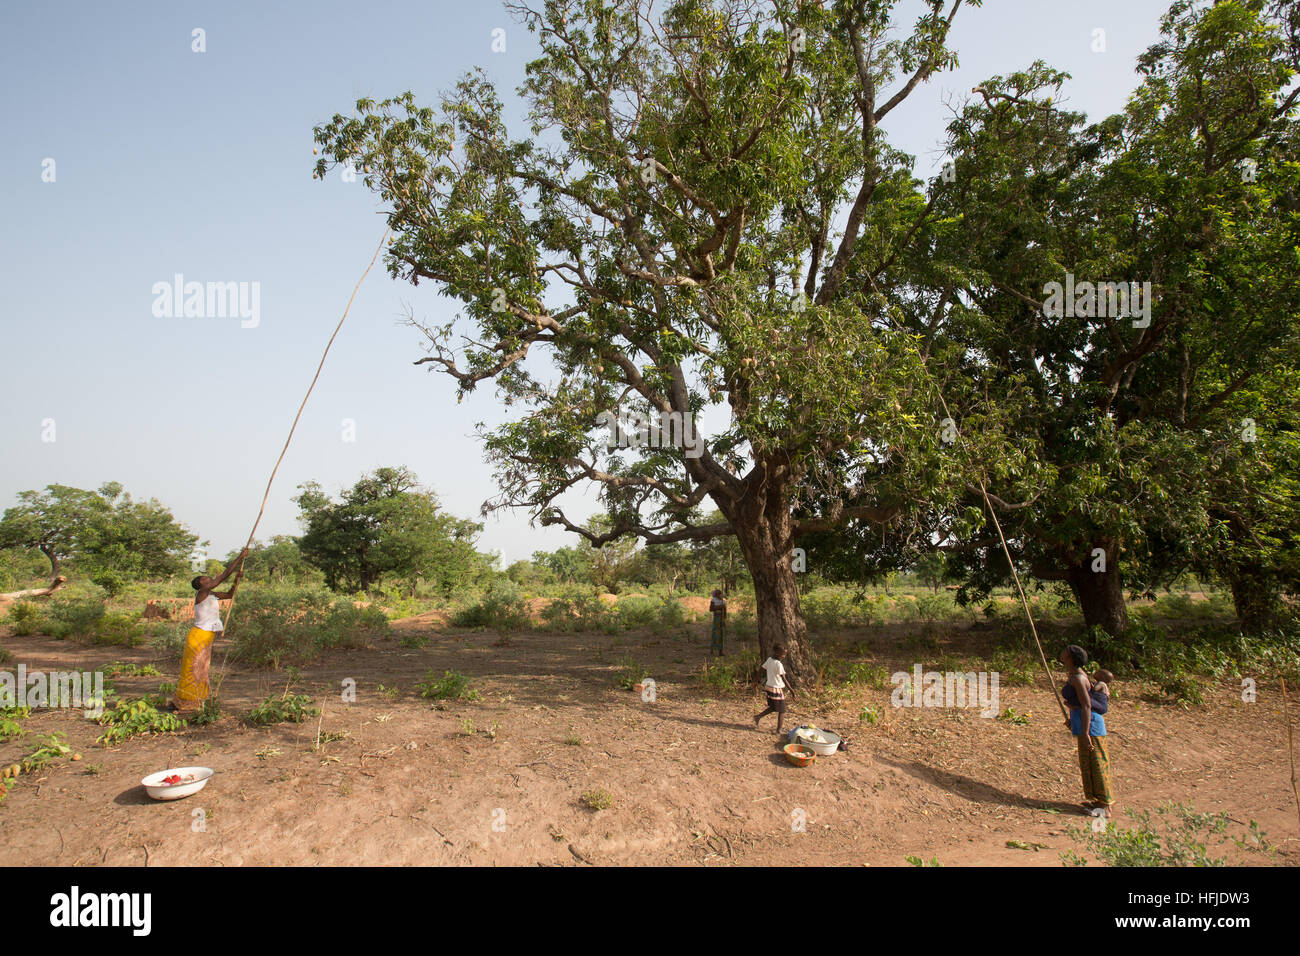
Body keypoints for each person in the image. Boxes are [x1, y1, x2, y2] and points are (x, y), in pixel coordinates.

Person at [171, 548, 248, 715]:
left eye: (207, 578)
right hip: (198, 635)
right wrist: (238, 558)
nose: (209, 579)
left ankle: (195, 698)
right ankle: (188, 699)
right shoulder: (202, 593)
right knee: (194, 667)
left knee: (201, 668)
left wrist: (236, 580)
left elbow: (229, 594)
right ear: (201, 585)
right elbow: (222, 577)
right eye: (205, 579)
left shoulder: (211, 594)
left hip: (206, 635)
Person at [1060, 644, 1113, 818]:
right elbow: (1078, 703)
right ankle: (1097, 801)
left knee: (1097, 764)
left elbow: (1087, 705)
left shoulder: (1078, 678)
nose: (1062, 653)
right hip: (1081, 723)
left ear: (1071, 658)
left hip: (1091, 726)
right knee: (1088, 764)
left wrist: (1085, 733)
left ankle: (1105, 806)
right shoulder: (1074, 675)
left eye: (1065, 652)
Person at [753, 643, 796, 735]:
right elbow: (784, 679)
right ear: (777, 653)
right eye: (783, 654)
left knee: (773, 707)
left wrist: (756, 681)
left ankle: (758, 717)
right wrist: (792, 691)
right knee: (782, 710)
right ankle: (779, 730)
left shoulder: (769, 660)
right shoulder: (778, 664)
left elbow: (761, 669)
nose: (784, 656)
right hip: (776, 688)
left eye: (785, 654)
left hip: (769, 687)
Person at [708, 589, 727, 657]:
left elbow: (725, 612)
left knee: (721, 635)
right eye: (719, 594)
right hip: (716, 618)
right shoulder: (714, 600)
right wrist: (719, 607)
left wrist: (724, 620)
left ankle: (720, 651)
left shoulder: (724, 601)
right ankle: (712, 649)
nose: (720, 595)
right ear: (716, 595)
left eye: (721, 594)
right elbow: (711, 609)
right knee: (715, 633)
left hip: (721, 619)